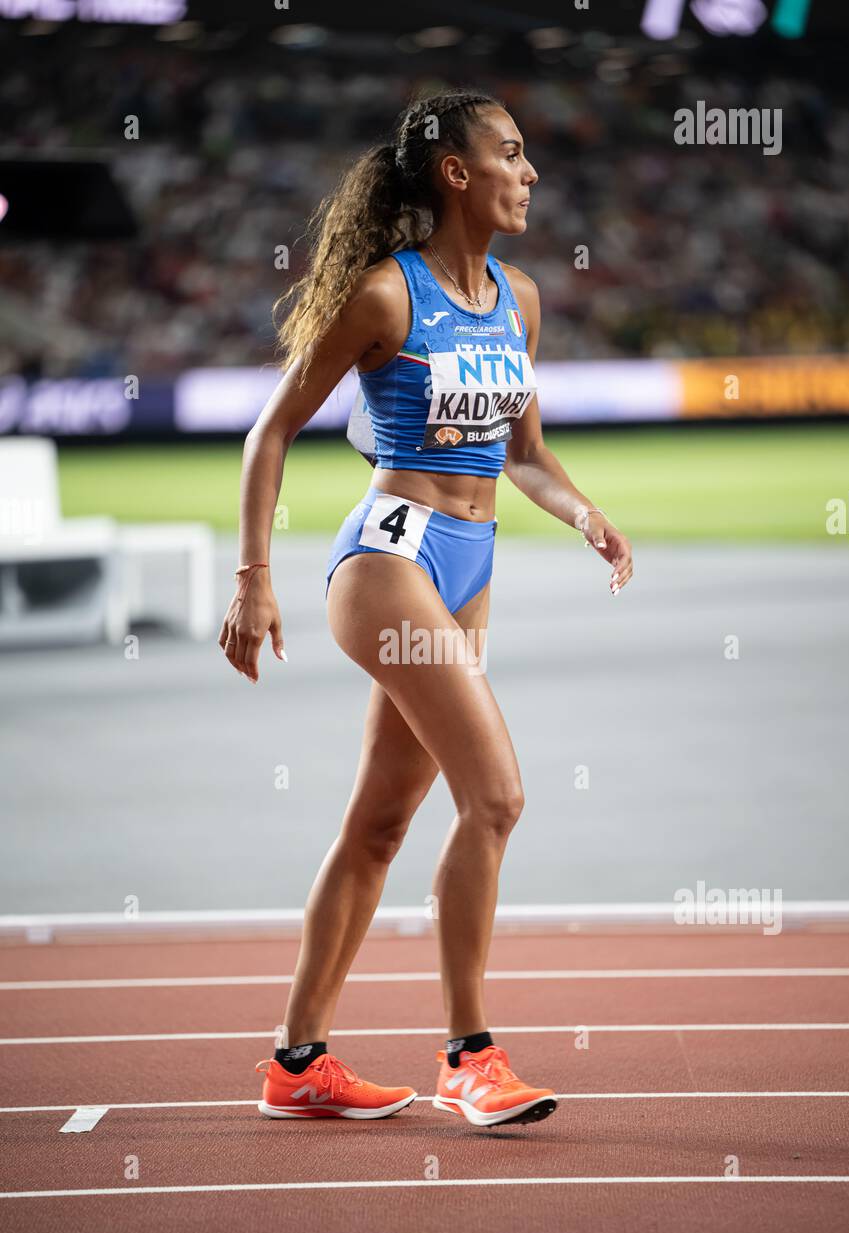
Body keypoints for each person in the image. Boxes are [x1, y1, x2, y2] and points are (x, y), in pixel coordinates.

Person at [219, 90, 633, 1128]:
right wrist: (252, 576)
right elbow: (266, 434)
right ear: (456, 172)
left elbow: (526, 455)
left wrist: (585, 515)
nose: (530, 172)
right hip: (387, 559)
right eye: (511, 153)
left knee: (380, 823)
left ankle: (297, 1061)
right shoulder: (383, 297)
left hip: (470, 560)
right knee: (492, 796)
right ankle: (469, 1056)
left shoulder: (518, 298)